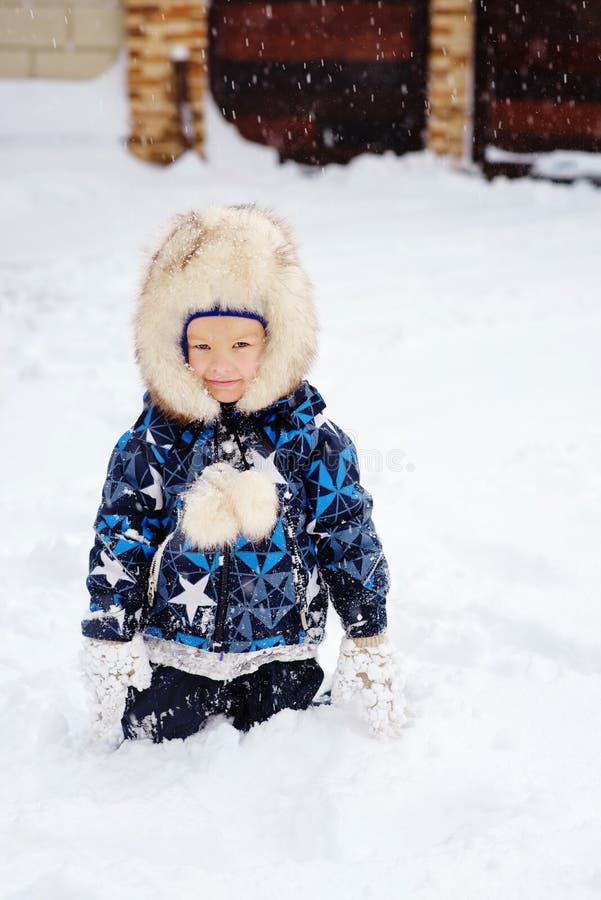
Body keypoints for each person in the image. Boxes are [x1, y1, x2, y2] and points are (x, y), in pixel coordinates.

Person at [81, 204, 405, 744]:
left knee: (285, 747)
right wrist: (111, 631)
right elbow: (124, 532)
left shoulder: (310, 439)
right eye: (202, 346)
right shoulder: (153, 442)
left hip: (283, 648)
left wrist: (367, 631)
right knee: (151, 744)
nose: (221, 364)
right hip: (175, 649)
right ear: (175, 348)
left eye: (240, 345)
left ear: (273, 344)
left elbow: (347, 532)